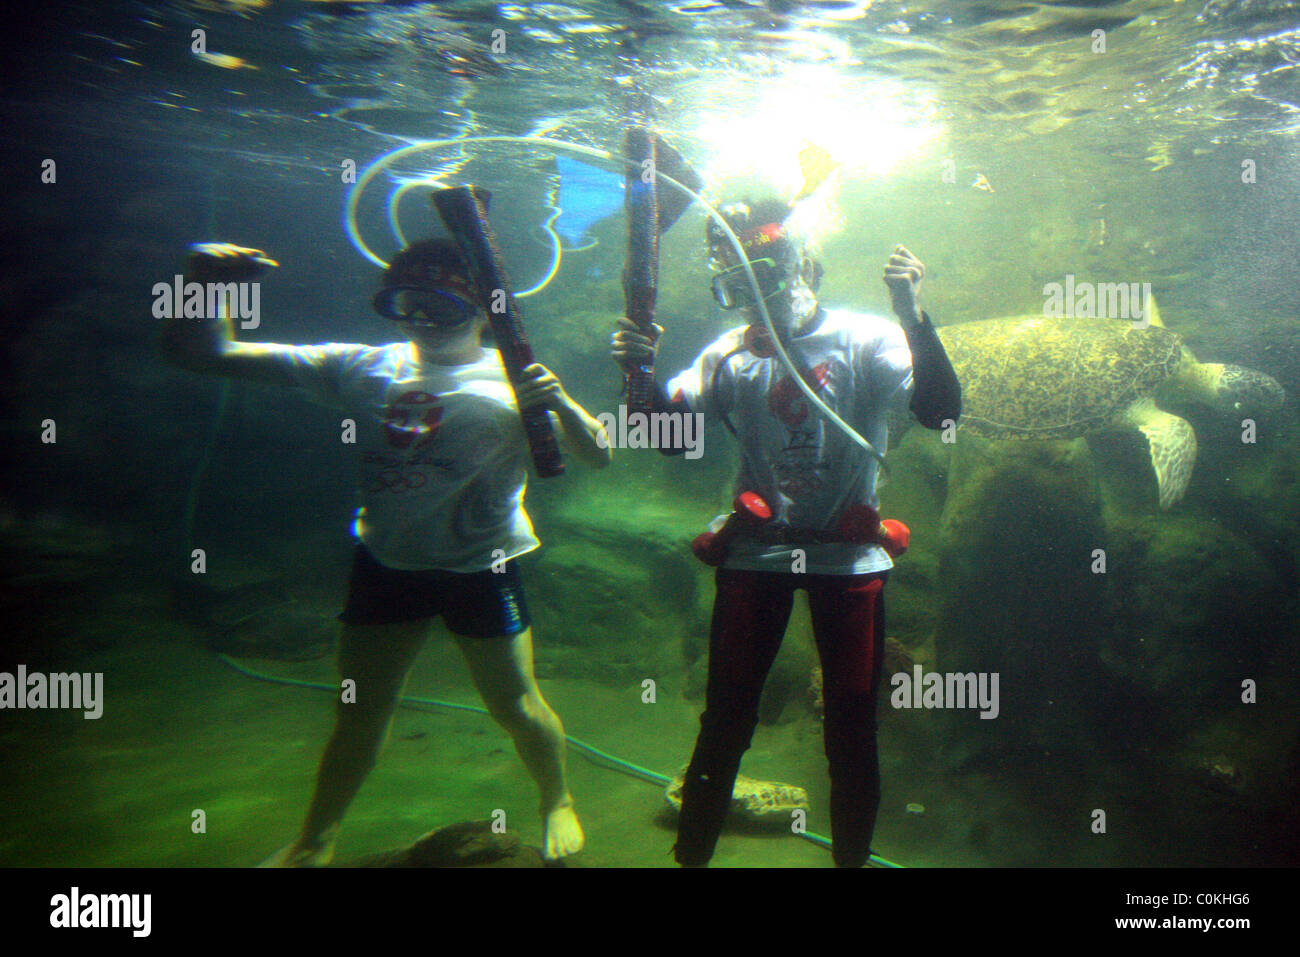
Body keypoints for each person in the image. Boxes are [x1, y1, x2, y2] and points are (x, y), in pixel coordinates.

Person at [161, 237, 609, 865]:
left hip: (482, 567)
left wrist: (556, 401)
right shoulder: (361, 366)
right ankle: (315, 837)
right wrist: (204, 281)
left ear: (482, 309)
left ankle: (556, 799)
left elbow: (597, 454)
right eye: (406, 305)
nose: (422, 321)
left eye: (441, 306)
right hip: (386, 567)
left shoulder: (515, 378)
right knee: (359, 714)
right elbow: (200, 353)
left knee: (515, 702)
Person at [611, 197, 961, 867]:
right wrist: (638, 371)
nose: (751, 281)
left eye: (764, 261)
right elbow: (663, 437)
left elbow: (942, 411)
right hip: (758, 552)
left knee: (850, 728)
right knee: (726, 721)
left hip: (847, 557)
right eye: (737, 266)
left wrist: (912, 315)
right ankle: (691, 859)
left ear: (802, 261)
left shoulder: (862, 337)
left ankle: (851, 860)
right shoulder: (728, 352)